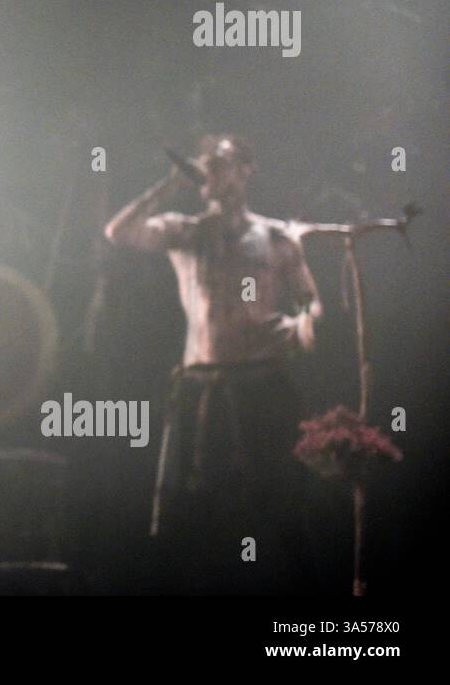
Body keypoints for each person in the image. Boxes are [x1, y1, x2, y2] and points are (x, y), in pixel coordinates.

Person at [104, 134, 323, 594]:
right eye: (206, 166)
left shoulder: (275, 237)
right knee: (194, 504)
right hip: (203, 384)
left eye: (221, 163)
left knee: (280, 499)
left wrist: (304, 326)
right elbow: (118, 232)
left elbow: (310, 300)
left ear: (246, 170)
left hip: (262, 382)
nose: (212, 173)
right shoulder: (186, 232)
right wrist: (167, 186)